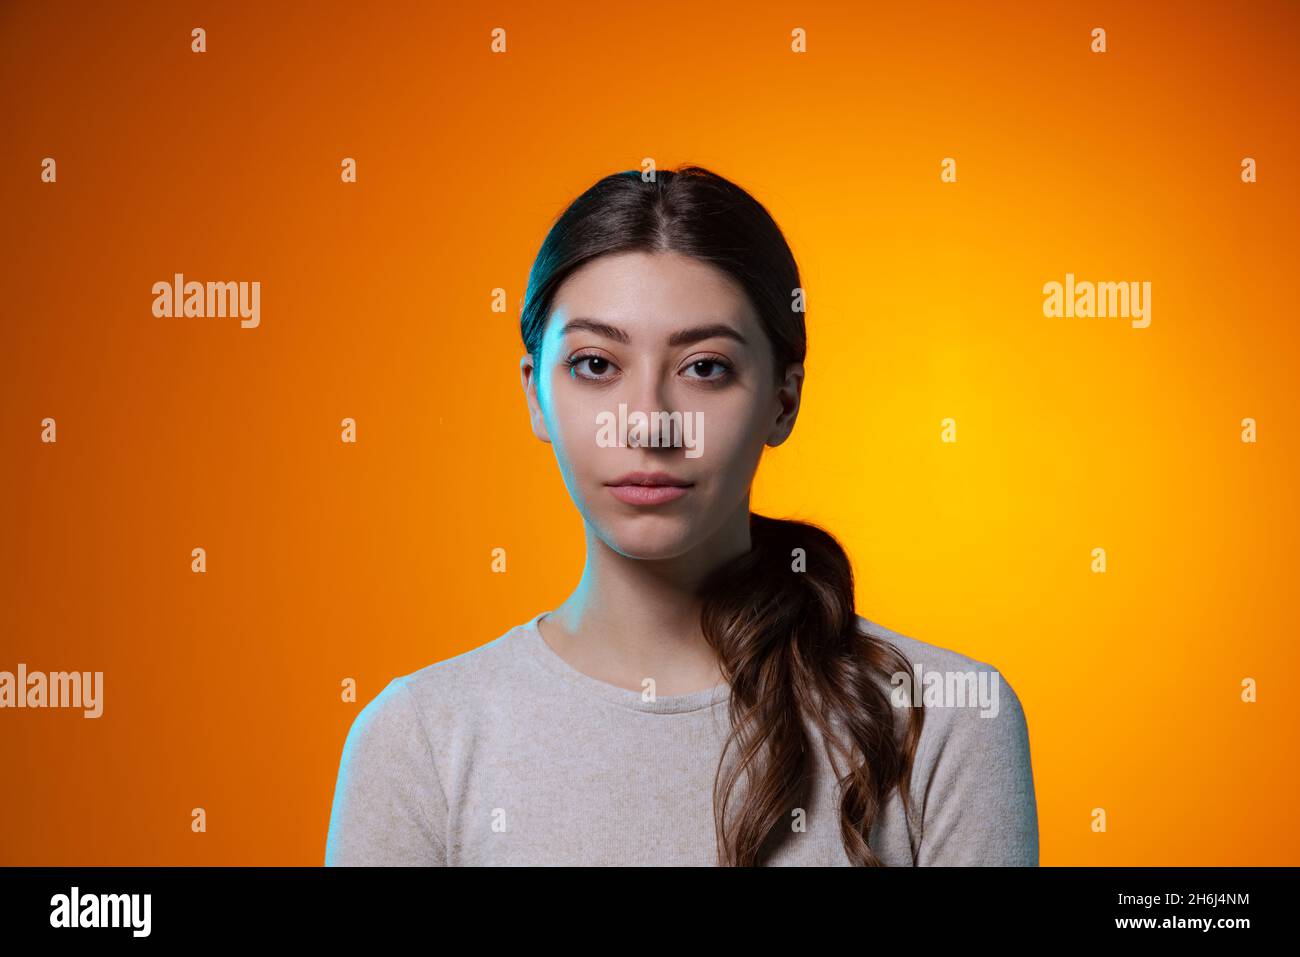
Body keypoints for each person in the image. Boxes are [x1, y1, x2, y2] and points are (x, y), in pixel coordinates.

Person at [325, 165, 1038, 866]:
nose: (649, 424)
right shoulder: (419, 738)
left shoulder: (946, 722)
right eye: (597, 365)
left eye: (704, 367)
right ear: (536, 395)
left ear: (783, 399)